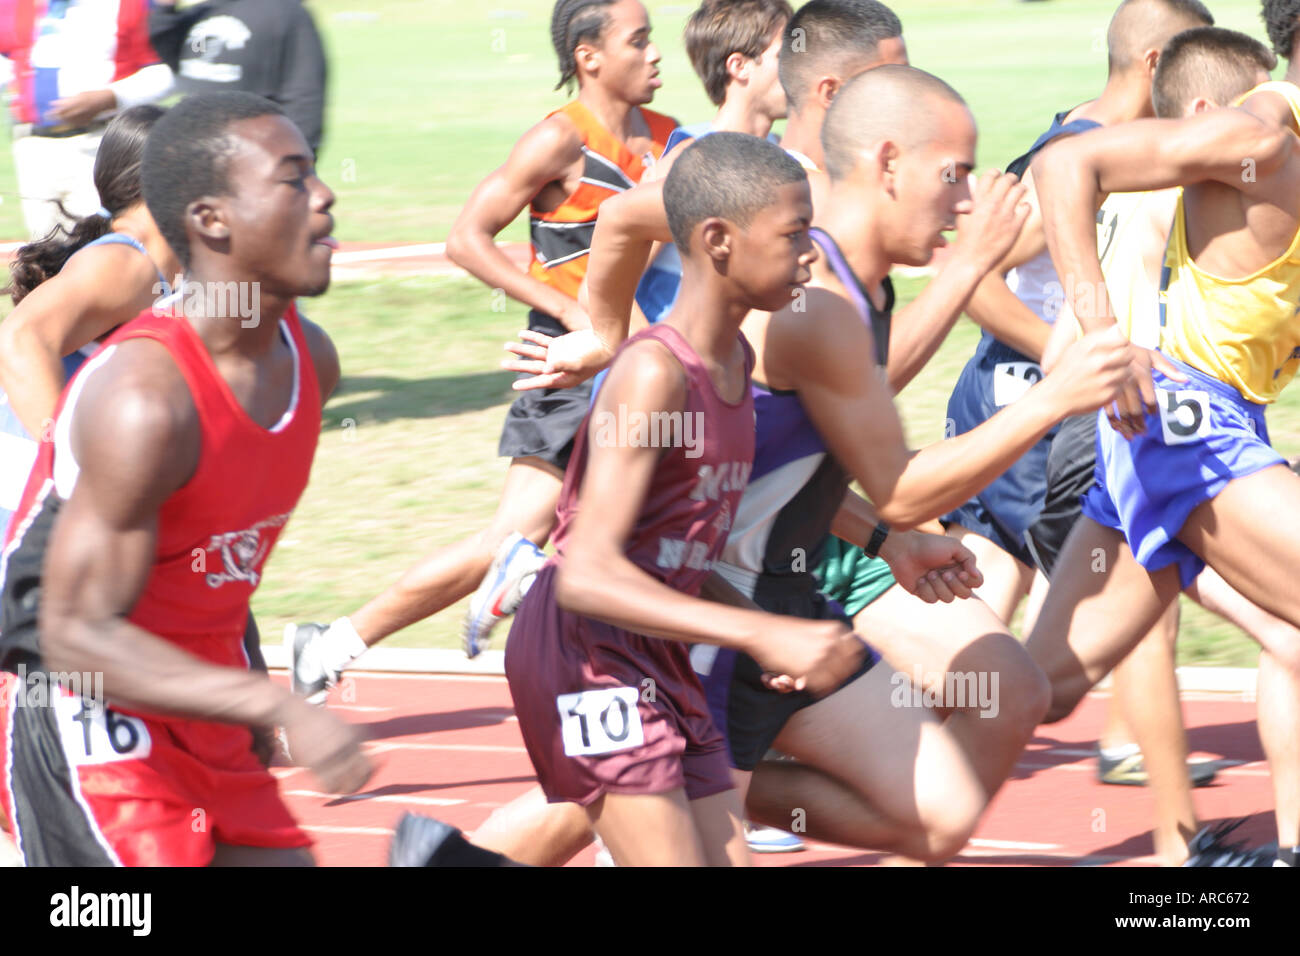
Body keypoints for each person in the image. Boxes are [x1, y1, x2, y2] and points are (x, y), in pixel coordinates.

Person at [476, 66, 1134, 867]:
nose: (966, 201)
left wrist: (873, 544)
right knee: (623, 821)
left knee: (933, 804)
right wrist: (604, 332)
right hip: (622, 632)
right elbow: (890, 474)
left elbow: (770, 481)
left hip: (719, 604)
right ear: (887, 162)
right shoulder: (759, 320)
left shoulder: (742, 355)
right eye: (953, 175)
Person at [0, 91, 371, 866]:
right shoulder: (144, 397)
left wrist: (245, 692)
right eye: (293, 178)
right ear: (210, 220)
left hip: (197, 706)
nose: (326, 196)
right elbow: (67, 635)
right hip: (93, 729)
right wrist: (267, 699)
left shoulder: (312, 365)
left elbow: (207, 560)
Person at [284, 0, 677, 697]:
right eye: (638, 41)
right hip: (568, 365)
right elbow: (465, 238)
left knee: (647, 524)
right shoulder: (561, 142)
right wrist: (567, 311)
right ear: (588, 56)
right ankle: (340, 641)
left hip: (639, 366)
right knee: (514, 536)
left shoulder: (671, 140)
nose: (655, 54)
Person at [507, 130, 873, 867]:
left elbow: (679, 550)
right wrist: (759, 634)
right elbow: (587, 575)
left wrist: (753, 623)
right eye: (795, 233)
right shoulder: (655, 375)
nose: (812, 253)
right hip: (584, 657)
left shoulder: (736, 359)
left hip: (661, 655)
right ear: (718, 240)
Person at [1025, 4, 1300, 865]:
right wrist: (1103, 335)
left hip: (1184, 431)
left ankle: (805, 720)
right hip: (1189, 429)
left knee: (1039, 689)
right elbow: (1069, 161)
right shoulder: (1265, 131)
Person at [940, 0, 1213, 630]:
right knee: (1114, 597)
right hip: (1019, 398)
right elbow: (970, 278)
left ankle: (953, 719)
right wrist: (1081, 361)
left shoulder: (1108, 145)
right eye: (1191, 71)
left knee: (1002, 597)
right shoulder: (1075, 155)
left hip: (1049, 403)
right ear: (1154, 65)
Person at [0, 105, 174, 536]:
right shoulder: (127, 264)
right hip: (31, 520)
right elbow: (18, 339)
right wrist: (71, 470)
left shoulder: (159, 270)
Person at [0, 0, 172, 239]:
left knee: (100, 242)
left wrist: (109, 97)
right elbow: (8, 59)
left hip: (96, 143)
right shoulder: (12, 5)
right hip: (33, 146)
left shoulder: (129, 5)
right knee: (44, 247)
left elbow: (164, 71)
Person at [148, 0, 328, 154]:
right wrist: (166, 9)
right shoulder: (202, 12)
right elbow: (174, 55)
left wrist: (295, 162)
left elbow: (305, 97)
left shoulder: (285, 14)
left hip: (253, 159)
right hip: (197, 157)